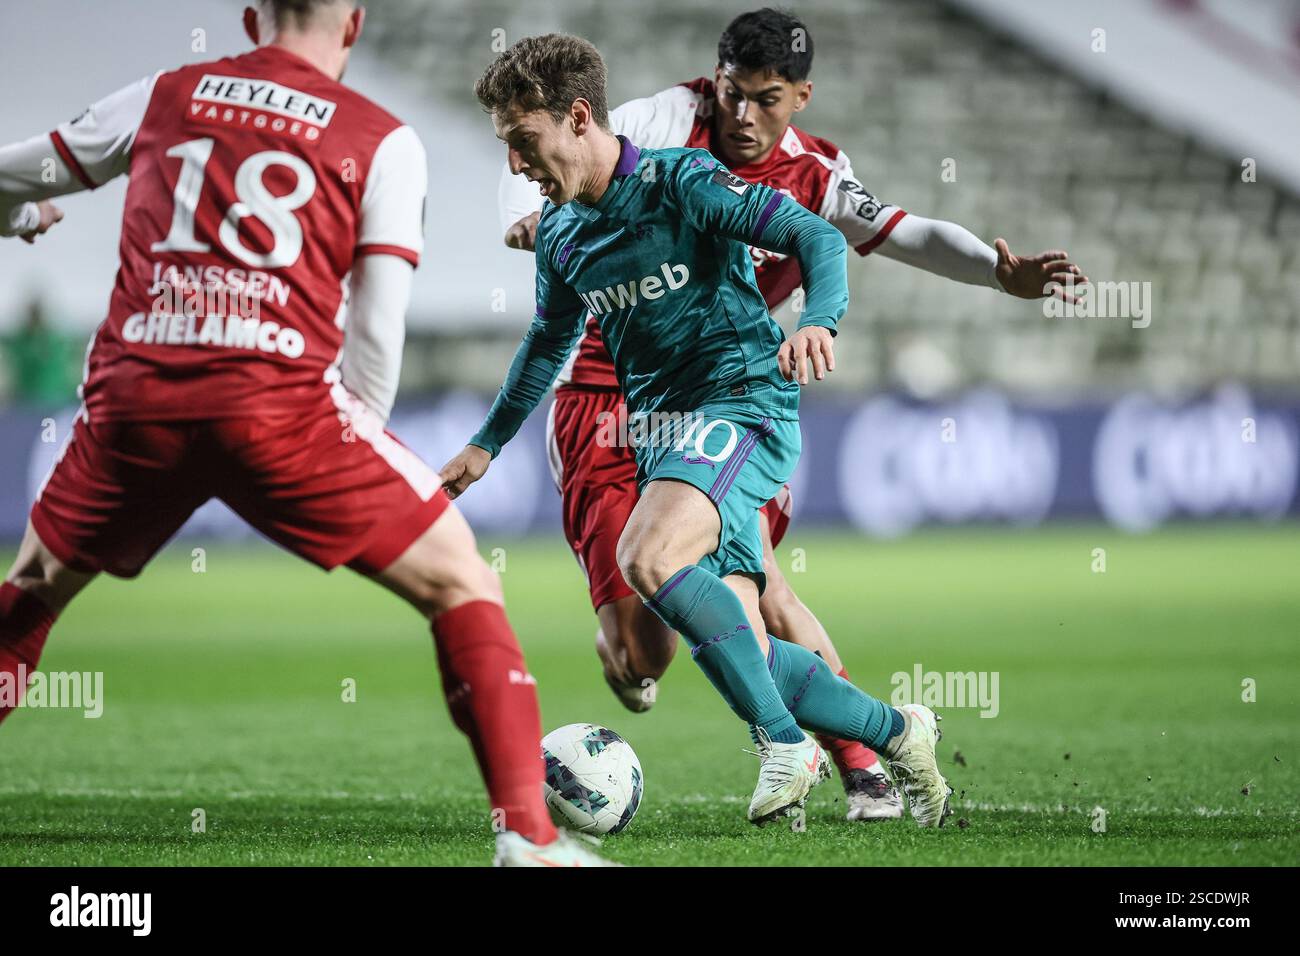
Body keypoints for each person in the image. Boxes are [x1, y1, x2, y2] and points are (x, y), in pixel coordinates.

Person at [0, 0, 610, 867]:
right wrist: (347, 445)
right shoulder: (383, 138)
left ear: (252, 17)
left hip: (139, 396)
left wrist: (19, 219)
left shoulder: (165, 94)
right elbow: (374, 336)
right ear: (354, 23)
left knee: (32, 587)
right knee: (461, 579)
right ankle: (529, 841)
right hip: (279, 406)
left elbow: (15, 177)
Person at [495, 8, 1085, 822]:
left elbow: (905, 234)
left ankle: (855, 765)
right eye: (732, 94)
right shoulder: (659, 120)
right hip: (607, 398)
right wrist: (531, 216)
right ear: (714, 79)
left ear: (801, 96)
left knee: (752, 592)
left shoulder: (817, 174)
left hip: (728, 399)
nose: (742, 116)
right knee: (650, 648)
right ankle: (886, 730)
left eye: (765, 100)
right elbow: (547, 146)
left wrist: (996, 271)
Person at [444, 33, 951, 827]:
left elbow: (815, 235)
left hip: (745, 403)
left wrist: (818, 321)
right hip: (665, 437)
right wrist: (486, 444)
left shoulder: (684, 181)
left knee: (645, 554)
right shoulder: (565, 235)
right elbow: (546, 346)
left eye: (523, 143)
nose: (517, 167)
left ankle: (784, 743)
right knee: (738, 633)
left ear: (579, 117)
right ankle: (897, 730)